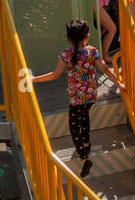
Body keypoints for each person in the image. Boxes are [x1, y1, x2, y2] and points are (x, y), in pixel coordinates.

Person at [34, 19, 115, 178]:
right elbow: (105, 68)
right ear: (87, 36)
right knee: (83, 119)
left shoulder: (67, 54)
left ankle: (84, 159)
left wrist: (34, 79)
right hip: (91, 96)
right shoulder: (92, 51)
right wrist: (119, 82)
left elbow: (55, 75)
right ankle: (86, 144)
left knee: (73, 128)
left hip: (76, 99)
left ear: (68, 38)